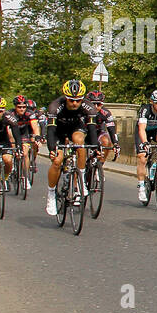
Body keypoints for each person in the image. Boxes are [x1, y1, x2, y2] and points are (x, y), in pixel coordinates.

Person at [44, 80, 93, 216]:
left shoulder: (88, 106)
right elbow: (51, 131)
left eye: (78, 100)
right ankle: (51, 193)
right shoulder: (55, 106)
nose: (74, 103)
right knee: (57, 161)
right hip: (58, 131)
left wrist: (95, 147)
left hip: (76, 128)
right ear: (66, 97)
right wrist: (52, 150)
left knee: (80, 143)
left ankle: (81, 179)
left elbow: (92, 129)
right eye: (71, 100)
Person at [135, 90, 157, 202]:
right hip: (143, 131)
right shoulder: (145, 110)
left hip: (155, 129)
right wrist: (145, 142)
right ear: (152, 102)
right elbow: (141, 129)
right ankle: (141, 186)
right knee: (142, 157)